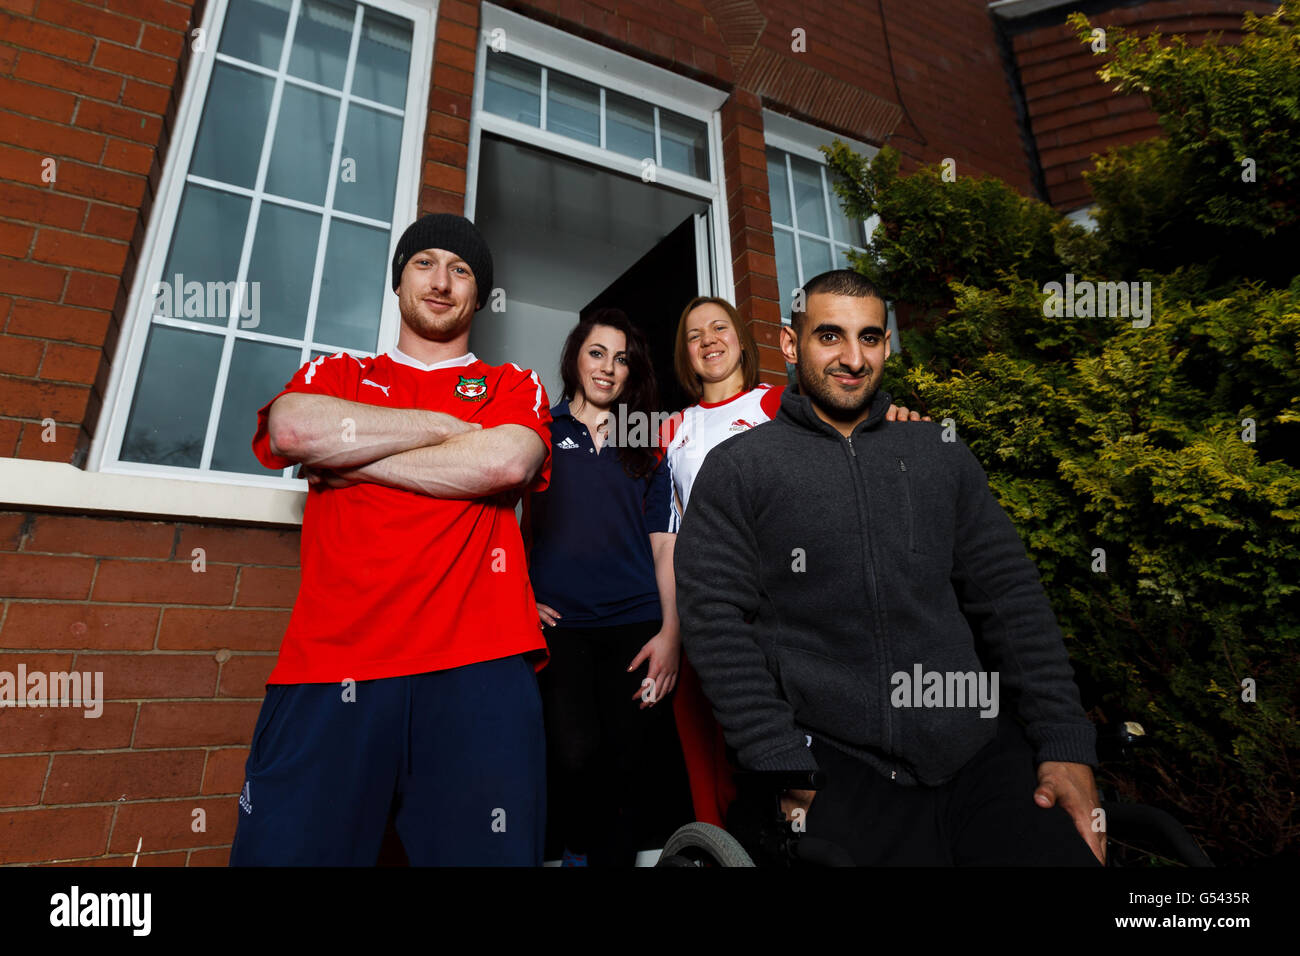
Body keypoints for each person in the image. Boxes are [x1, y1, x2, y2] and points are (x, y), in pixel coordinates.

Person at [673, 269, 1104, 866]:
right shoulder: (739, 468)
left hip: (977, 752)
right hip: (838, 769)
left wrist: (1065, 744)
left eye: (870, 338)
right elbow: (713, 619)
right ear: (791, 345)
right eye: (830, 337)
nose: (853, 358)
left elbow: (1011, 599)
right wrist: (778, 758)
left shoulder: (937, 453)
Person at [230, 213, 553, 866]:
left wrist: (348, 454)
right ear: (399, 280)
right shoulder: (338, 372)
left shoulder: (511, 384)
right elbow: (292, 431)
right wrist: (444, 425)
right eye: (425, 262)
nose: (442, 281)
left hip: (479, 665)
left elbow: (504, 464)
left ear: (479, 295)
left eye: (461, 270)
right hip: (332, 665)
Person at [655, 296, 923, 828]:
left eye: (720, 327)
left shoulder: (782, 402)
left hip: (788, 608)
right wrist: (672, 627)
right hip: (712, 614)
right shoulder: (671, 429)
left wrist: (896, 420)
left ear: (741, 338)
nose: (709, 339)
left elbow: (855, 437)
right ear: (685, 353)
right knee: (708, 767)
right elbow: (673, 533)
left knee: (790, 771)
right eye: (694, 334)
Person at [525, 308, 689, 866]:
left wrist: (672, 631)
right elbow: (501, 524)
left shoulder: (644, 441)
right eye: (597, 353)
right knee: (571, 754)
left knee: (631, 763)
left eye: (622, 359)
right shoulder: (536, 432)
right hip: (560, 627)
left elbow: (664, 544)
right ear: (575, 355)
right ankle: (572, 853)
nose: (608, 368)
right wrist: (518, 596)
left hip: (637, 625)